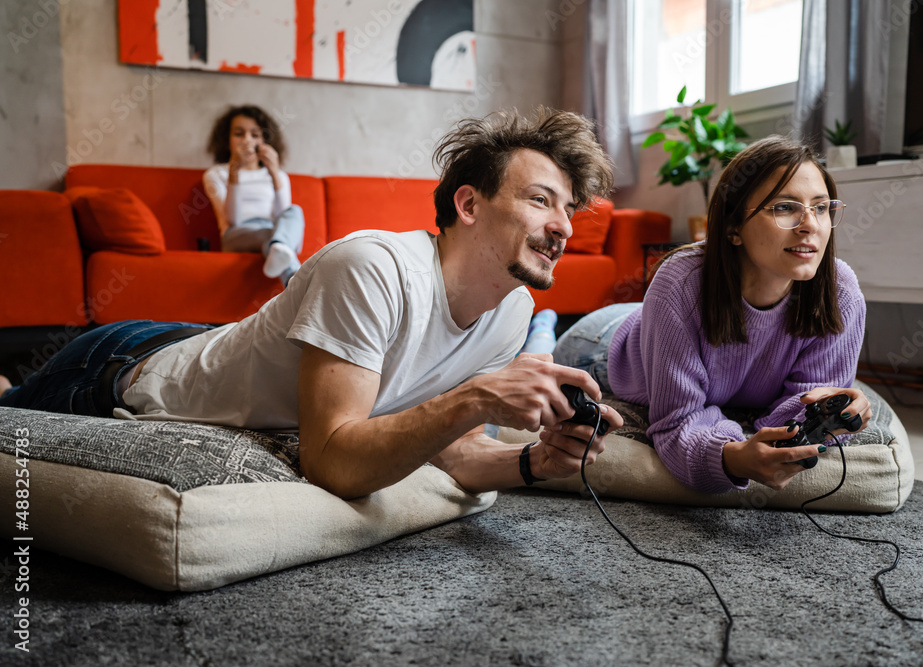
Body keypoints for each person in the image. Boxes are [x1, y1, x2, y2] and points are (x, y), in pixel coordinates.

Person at [0, 107, 624, 500]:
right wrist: (480, 397)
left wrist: (534, 462)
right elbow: (332, 461)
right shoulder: (372, 268)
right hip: (121, 366)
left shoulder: (511, 310)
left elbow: (446, 446)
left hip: (233, 347)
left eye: (569, 208)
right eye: (542, 200)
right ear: (468, 205)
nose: (565, 226)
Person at [553, 135, 872, 494]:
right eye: (785, 207)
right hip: (599, 343)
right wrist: (731, 456)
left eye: (821, 207)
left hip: (652, 318)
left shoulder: (840, 291)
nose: (810, 224)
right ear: (734, 228)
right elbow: (676, 422)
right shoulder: (680, 281)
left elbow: (803, 406)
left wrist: (829, 414)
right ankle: (542, 323)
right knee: (543, 345)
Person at [204, 104, 305, 286]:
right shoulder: (216, 174)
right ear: (226, 140)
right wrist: (235, 170)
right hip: (236, 235)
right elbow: (233, 220)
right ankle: (292, 273)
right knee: (275, 237)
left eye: (255, 135)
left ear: (264, 142)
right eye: (238, 134)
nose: (247, 140)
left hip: (272, 230)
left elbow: (283, 214)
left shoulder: (279, 175)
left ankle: (288, 271)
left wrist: (274, 172)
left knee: (294, 211)